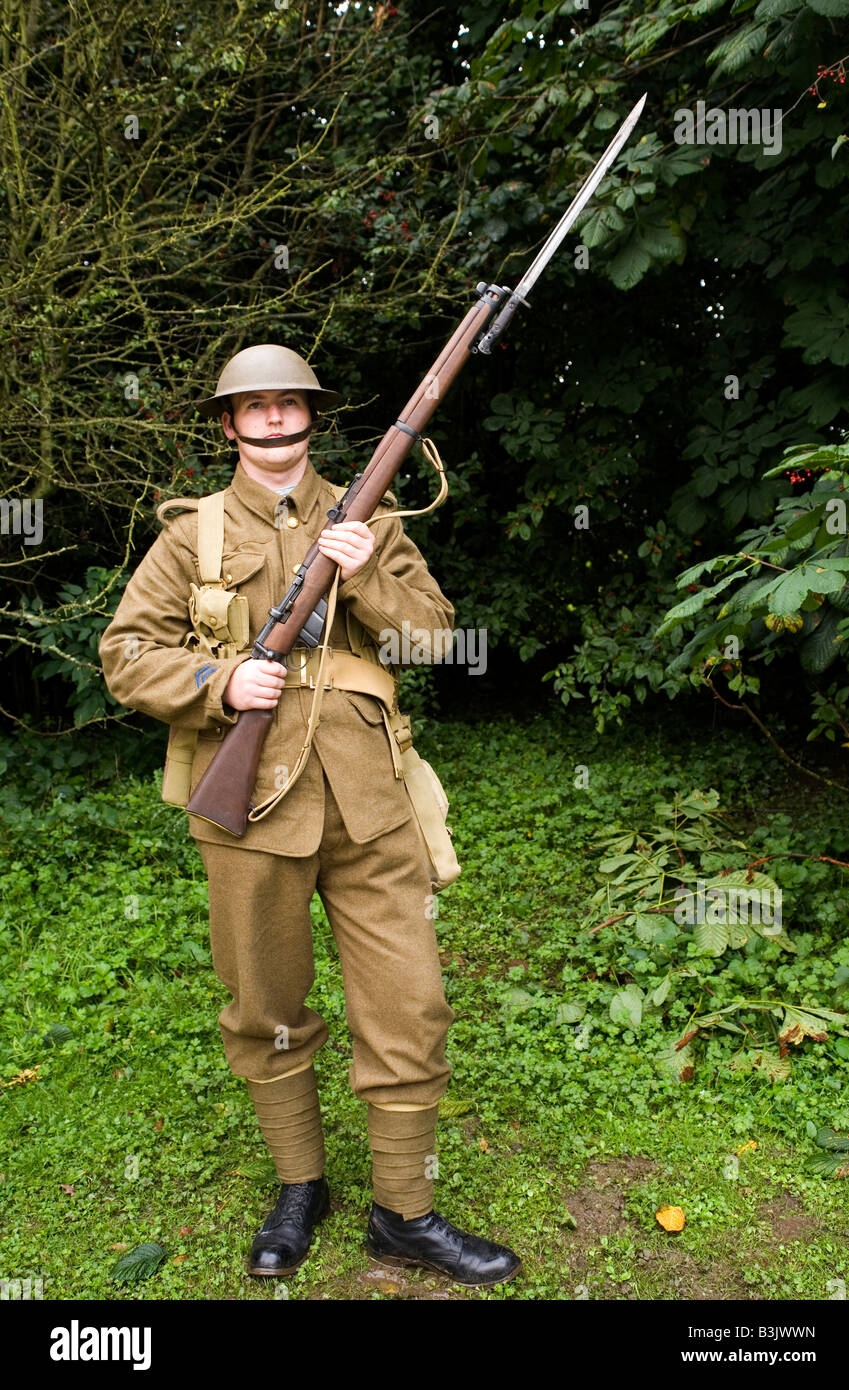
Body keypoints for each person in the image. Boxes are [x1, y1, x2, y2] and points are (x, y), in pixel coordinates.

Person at [98, 344, 521, 1289]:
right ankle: (300, 1189)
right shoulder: (191, 537)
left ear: (312, 418)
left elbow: (438, 639)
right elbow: (126, 653)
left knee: (410, 1006)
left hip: (371, 803)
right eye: (257, 409)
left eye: (291, 406)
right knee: (266, 1011)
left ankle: (404, 1213)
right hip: (248, 808)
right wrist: (216, 680)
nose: (276, 422)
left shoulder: (369, 517)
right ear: (229, 425)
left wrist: (366, 572)